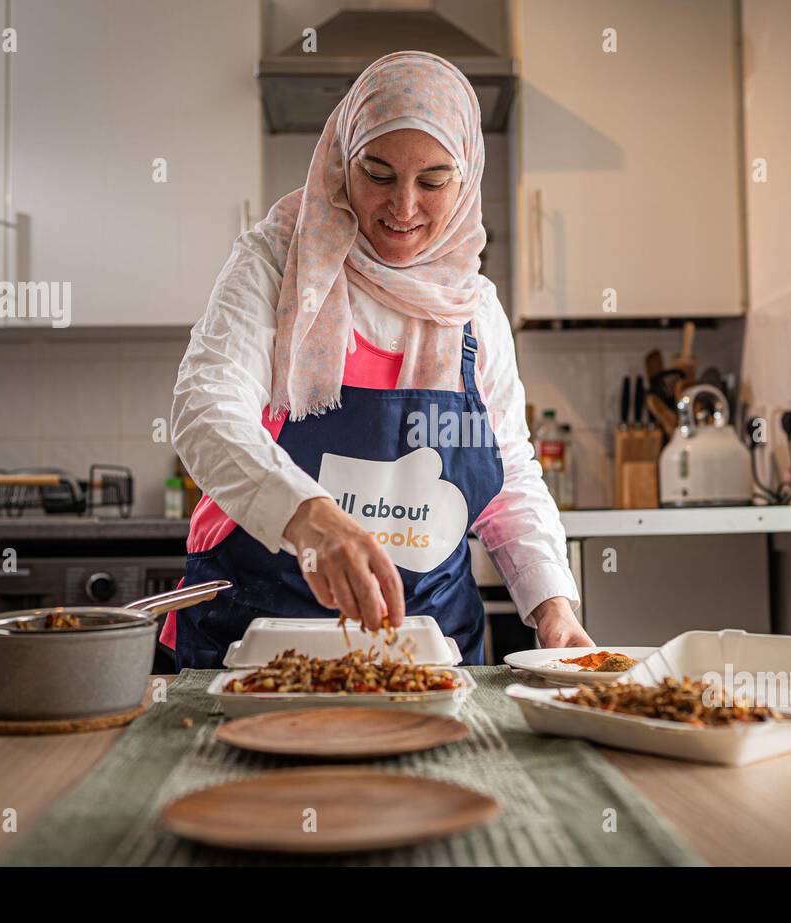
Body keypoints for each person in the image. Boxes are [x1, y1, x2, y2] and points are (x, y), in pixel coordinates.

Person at [161, 51, 593, 668]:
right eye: (379, 174)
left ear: (466, 178)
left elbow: (510, 475)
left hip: (431, 658)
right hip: (253, 652)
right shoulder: (278, 265)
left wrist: (554, 609)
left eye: (434, 180)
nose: (404, 207)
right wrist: (306, 518)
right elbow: (205, 409)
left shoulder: (473, 308)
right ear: (343, 162)